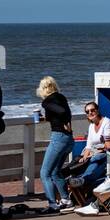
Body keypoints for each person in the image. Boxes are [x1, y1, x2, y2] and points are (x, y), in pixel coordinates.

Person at [36, 77, 75, 212]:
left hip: (58, 138)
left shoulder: (47, 101)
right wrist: (65, 122)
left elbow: (61, 112)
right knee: (55, 172)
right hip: (68, 138)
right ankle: (66, 200)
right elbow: (64, 112)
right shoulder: (61, 97)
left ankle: (52, 204)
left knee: (44, 173)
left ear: (43, 89)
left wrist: (63, 120)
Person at [67, 100, 110, 195]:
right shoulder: (91, 126)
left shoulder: (107, 122)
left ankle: (83, 179)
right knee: (80, 160)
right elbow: (88, 145)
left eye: (92, 110)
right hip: (92, 152)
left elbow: (108, 143)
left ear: (97, 110)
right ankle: (67, 176)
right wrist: (85, 157)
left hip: (104, 152)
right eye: (87, 112)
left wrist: (92, 154)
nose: (90, 113)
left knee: (96, 158)